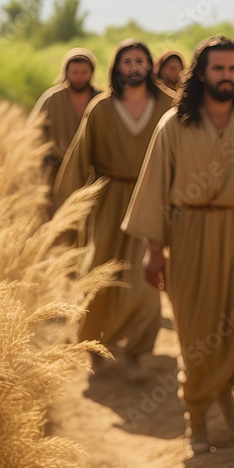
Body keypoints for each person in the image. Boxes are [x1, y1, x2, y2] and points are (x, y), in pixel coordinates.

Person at [122, 36, 234, 455]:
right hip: (188, 233)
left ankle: (225, 394)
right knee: (199, 332)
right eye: (218, 69)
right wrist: (155, 250)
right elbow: (154, 190)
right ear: (201, 74)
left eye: (233, 69)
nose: (227, 76)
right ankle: (199, 418)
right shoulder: (173, 125)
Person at [55, 39, 174, 381]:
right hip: (109, 203)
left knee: (145, 282)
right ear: (116, 68)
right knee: (101, 275)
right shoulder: (101, 108)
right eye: (127, 61)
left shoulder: (168, 105)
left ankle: (137, 352)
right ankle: (93, 347)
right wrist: (67, 213)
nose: (134, 67)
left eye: (140, 60)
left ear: (149, 66)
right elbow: (79, 160)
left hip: (152, 201)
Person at [28, 47, 101, 200]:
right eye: (74, 72)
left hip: (92, 173)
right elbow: (33, 133)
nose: (79, 77)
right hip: (56, 171)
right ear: (66, 72)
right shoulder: (52, 98)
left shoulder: (101, 100)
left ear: (91, 72)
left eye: (84, 72)